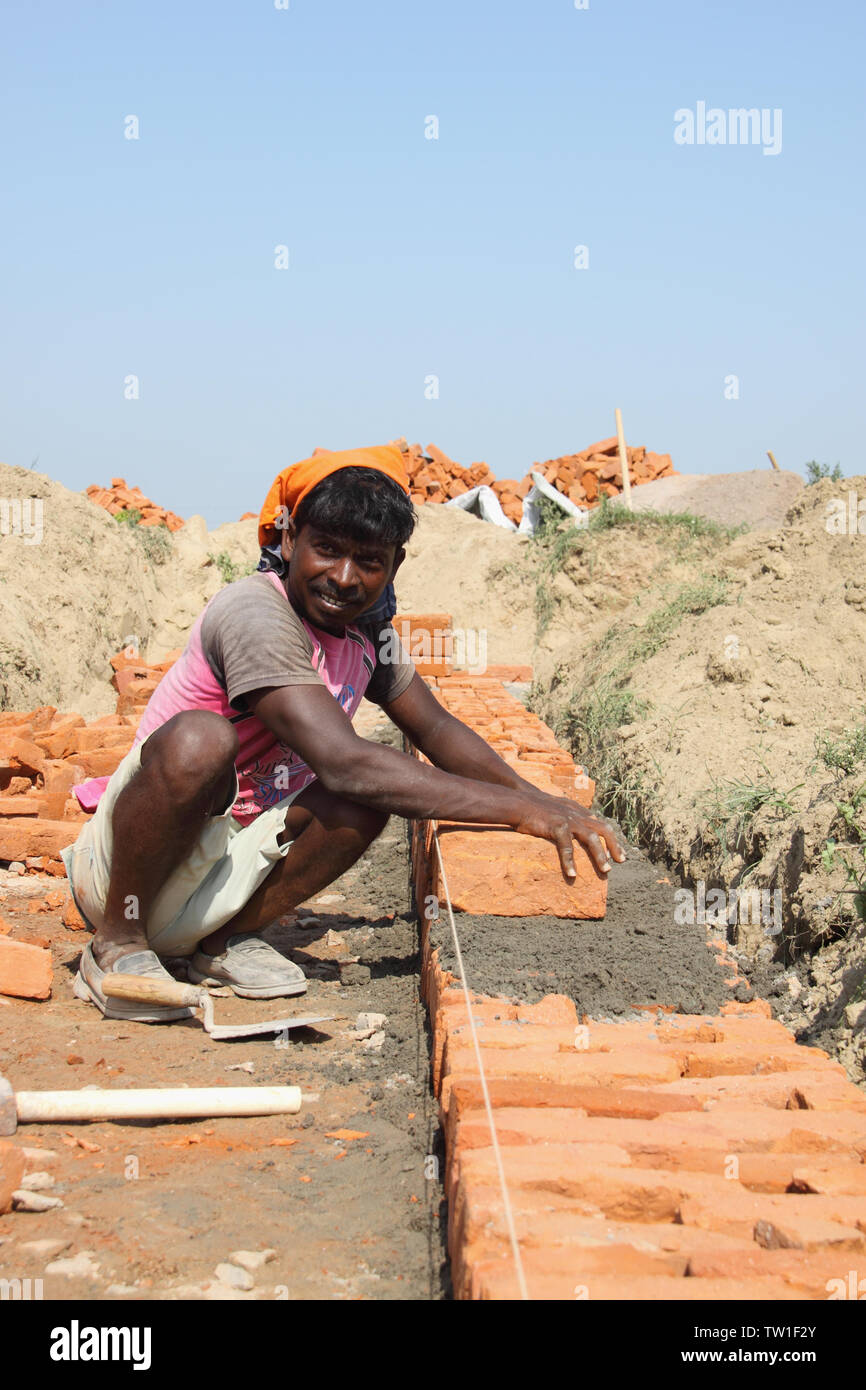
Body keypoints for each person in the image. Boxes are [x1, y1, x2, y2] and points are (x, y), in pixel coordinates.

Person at [63, 444, 625, 1023]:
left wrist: (539, 800)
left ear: (395, 566)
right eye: (326, 550)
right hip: (130, 871)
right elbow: (343, 762)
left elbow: (434, 726)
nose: (344, 578)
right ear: (289, 541)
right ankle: (118, 946)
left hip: (224, 876)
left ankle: (220, 942)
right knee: (202, 742)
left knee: (365, 802)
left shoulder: (367, 634)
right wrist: (512, 811)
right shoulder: (257, 612)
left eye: (369, 561)